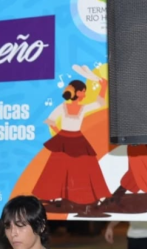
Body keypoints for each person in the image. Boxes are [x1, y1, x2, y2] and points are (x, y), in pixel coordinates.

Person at [33, 78, 110, 207]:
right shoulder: (62, 107)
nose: (85, 94)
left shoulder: (83, 107)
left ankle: (90, 196)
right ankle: (55, 196)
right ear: (78, 92)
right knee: (58, 169)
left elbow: (100, 103)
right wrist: (61, 134)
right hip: (64, 139)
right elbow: (51, 120)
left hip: (77, 139)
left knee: (86, 167)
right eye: (83, 91)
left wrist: (103, 87)